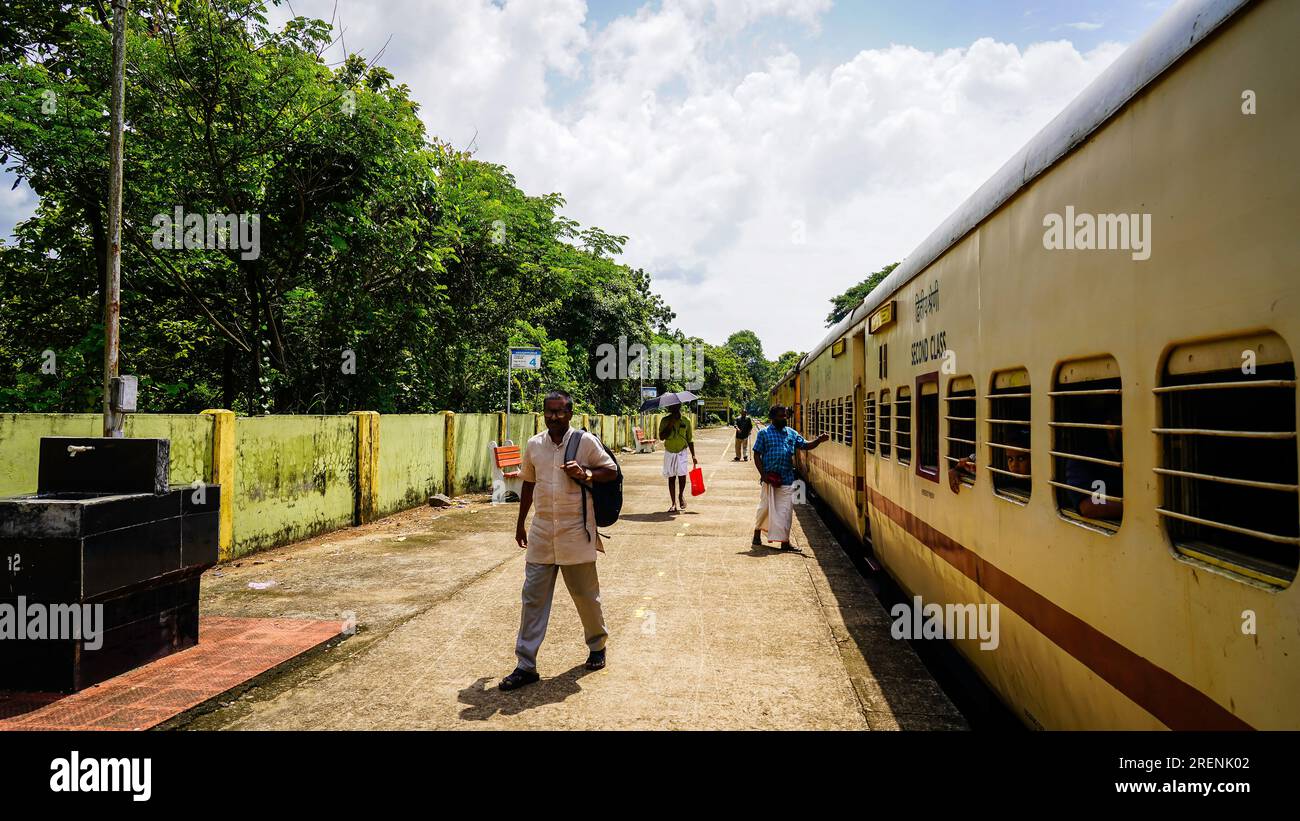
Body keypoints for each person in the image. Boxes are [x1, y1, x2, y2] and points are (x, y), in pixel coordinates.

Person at [499, 390, 620, 692]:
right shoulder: (534, 445)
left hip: (576, 531)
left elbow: (611, 471)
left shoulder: (585, 442)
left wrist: (587, 472)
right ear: (543, 414)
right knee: (532, 599)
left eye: (560, 412)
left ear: (570, 413)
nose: (554, 417)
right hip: (542, 533)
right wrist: (520, 524)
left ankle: (597, 645)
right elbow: (528, 483)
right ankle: (526, 665)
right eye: (549, 412)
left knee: (585, 596)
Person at [751, 404, 828, 551]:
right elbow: (756, 454)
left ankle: (785, 542)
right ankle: (757, 532)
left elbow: (805, 445)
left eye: (785, 415)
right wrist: (763, 475)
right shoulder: (764, 434)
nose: (784, 418)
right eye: (781, 416)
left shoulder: (791, 433)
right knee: (765, 508)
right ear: (772, 418)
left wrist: (818, 440)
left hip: (786, 479)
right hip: (769, 479)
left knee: (786, 511)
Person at [658, 403, 698, 513]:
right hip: (669, 452)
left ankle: (681, 495)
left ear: (679, 407)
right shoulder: (665, 421)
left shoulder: (686, 421)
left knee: (682, 476)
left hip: (682, 452)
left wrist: (693, 455)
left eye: (675, 407)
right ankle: (673, 504)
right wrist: (671, 423)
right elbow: (661, 437)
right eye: (671, 407)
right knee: (671, 477)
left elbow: (690, 439)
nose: (672, 409)